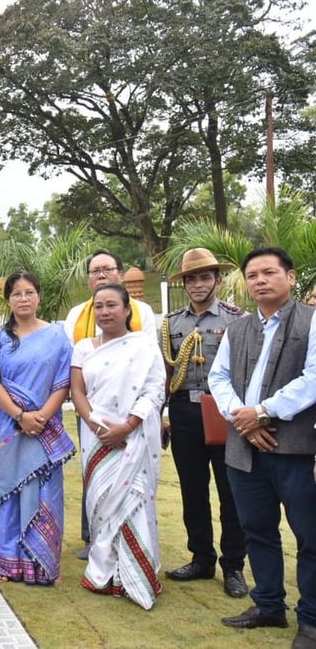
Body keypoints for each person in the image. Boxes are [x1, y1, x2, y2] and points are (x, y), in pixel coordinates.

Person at [209, 247, 316, 647]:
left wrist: (264, 412)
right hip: (244, 449)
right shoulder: (236, 329)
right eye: (252, 275)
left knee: (310, 536)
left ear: (290, 277)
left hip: (295, 448)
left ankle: (311, 621)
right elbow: (218, 378)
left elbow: (313, 378)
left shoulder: (311, 321)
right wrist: (242, 417)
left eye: (269, 272)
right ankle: (268, 604)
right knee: (257, 530)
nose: (259, 280)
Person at [70, 283, 166, 610]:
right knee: (101, 504)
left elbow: (154, 391)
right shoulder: (84, 347)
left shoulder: (144, 346)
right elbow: (78, 393)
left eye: (112, 305)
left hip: (133, 438)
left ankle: (135, 575)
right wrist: (97, 425)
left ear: (127, 310)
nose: (105, 312)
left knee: (134, 501)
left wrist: (127, 426)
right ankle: (105, 572)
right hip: (96, 435)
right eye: (99, 306)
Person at [160, 248, 247, 598]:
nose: (197, 285)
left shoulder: (237, 319)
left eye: (204, 277)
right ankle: (201, 557)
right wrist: (164, 414)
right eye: (191, 279)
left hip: (223, 412)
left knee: (231, 492)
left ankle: (234, 565)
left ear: (218, 279)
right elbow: (166, 373)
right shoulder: (171, 323)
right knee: (192, 489)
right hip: (184, 411)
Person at [64, 249, 156, 560]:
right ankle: (94, 539)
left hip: (133, 419)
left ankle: (131, 546)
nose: (101, 275)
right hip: (92, 416)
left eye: (107, 269)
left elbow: (151, 371)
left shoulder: (143, 313)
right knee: (95, 479)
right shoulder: (76, 315)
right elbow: (74, 375)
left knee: (131, 485)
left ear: (119, 273)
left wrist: (130, 422)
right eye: (95, 271)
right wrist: (91, 419)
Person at [0, 272, 75, 585]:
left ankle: (41, 563)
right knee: (9, 490)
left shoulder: (57, 336)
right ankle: (7, 561)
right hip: (8, 428)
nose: (23, 299)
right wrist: (20, 415)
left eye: (29, 292)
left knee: (42, 491)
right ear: (8, 300)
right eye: (17, 294)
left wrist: (41, 416)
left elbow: (63, 382)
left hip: (44, 428)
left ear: (39, 296)